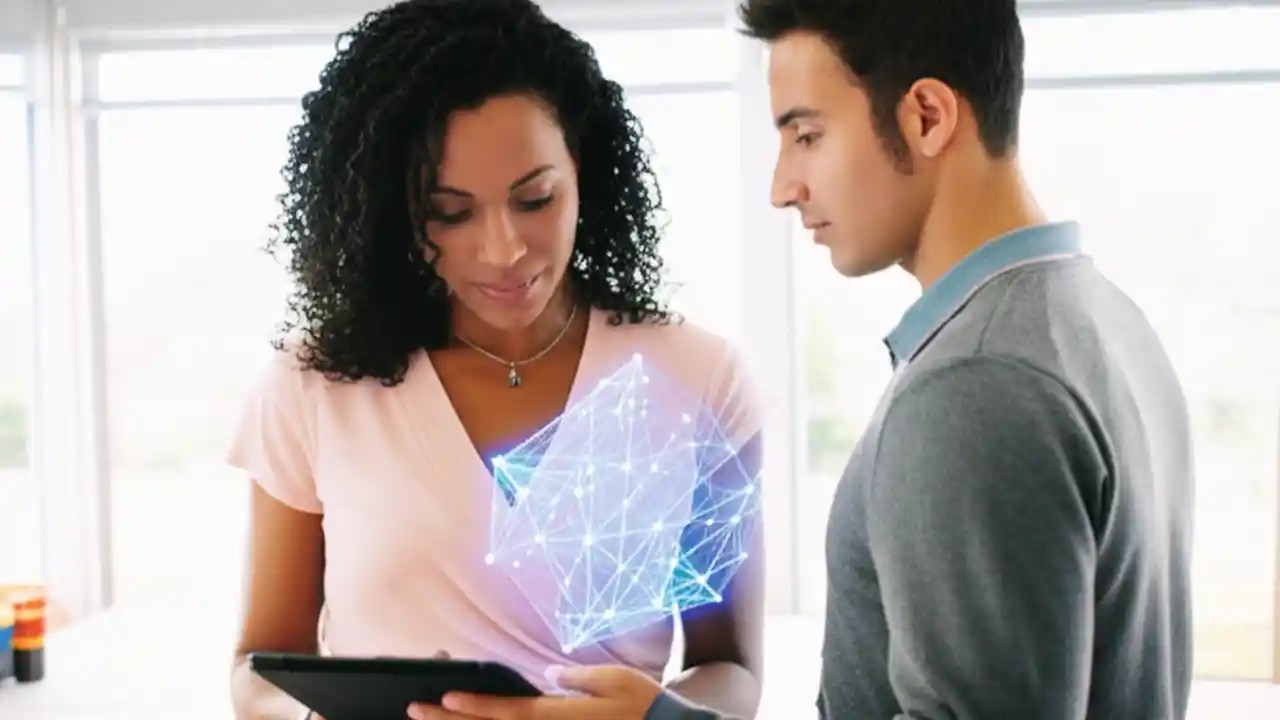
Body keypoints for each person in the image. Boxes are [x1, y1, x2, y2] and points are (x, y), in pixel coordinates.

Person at [443, 0, 1197, 719]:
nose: (783, 186)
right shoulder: (1105, 322)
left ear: (926, 116)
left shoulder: (976, 381)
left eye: (806, 135)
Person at [225, 1, 765, 719]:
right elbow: (257, 668)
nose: (503, 249)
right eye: (450, 213)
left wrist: (652, 717)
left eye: (535, 199)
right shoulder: (312, 386)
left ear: (585, 171)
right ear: (394, 210)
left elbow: (730, 670)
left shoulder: (700, 378)